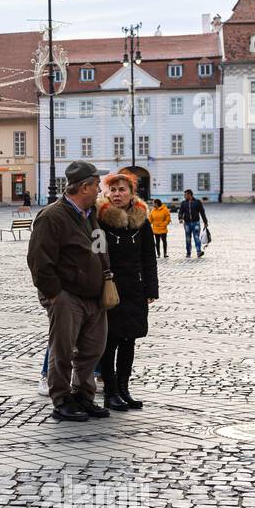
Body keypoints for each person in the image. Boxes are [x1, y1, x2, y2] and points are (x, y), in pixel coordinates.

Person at [27, 160, 110, 421]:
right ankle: (62, 399)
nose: (99, 190)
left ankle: (84, 397)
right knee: (62, 351)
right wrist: (55, 295)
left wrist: (106, 275)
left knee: (92, 350)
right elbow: (39, 261)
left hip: (94, 296)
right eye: (96, 185)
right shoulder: (52, 216)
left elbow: (100, 248)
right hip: (67, 297)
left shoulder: (90, 214)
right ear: (83, 187)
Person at [96, 172, 158, 411]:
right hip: (110, 288)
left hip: (135, 289)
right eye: (113, 190)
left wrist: (151, 288)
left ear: (132, 193)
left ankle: (124, 390)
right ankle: (110, 392)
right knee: (109, 341)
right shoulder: (100, 220)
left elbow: (149, 257)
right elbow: (95, 254)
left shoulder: (141, 220)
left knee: (129, 341)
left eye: (122, 189)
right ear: (107, 193)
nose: (117, 194)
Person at [176, 189, 207, 258]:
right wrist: (180, 218)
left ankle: (199, 252)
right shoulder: (184, 203)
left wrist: (205, 222)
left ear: (190, 195)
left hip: (196, 222)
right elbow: (181, 212)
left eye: (185, 195)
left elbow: (202, 212)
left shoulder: (197, 202)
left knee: (196, 237)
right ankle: (188, 253)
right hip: (187, 223)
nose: (184, 196)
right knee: (188, 238)